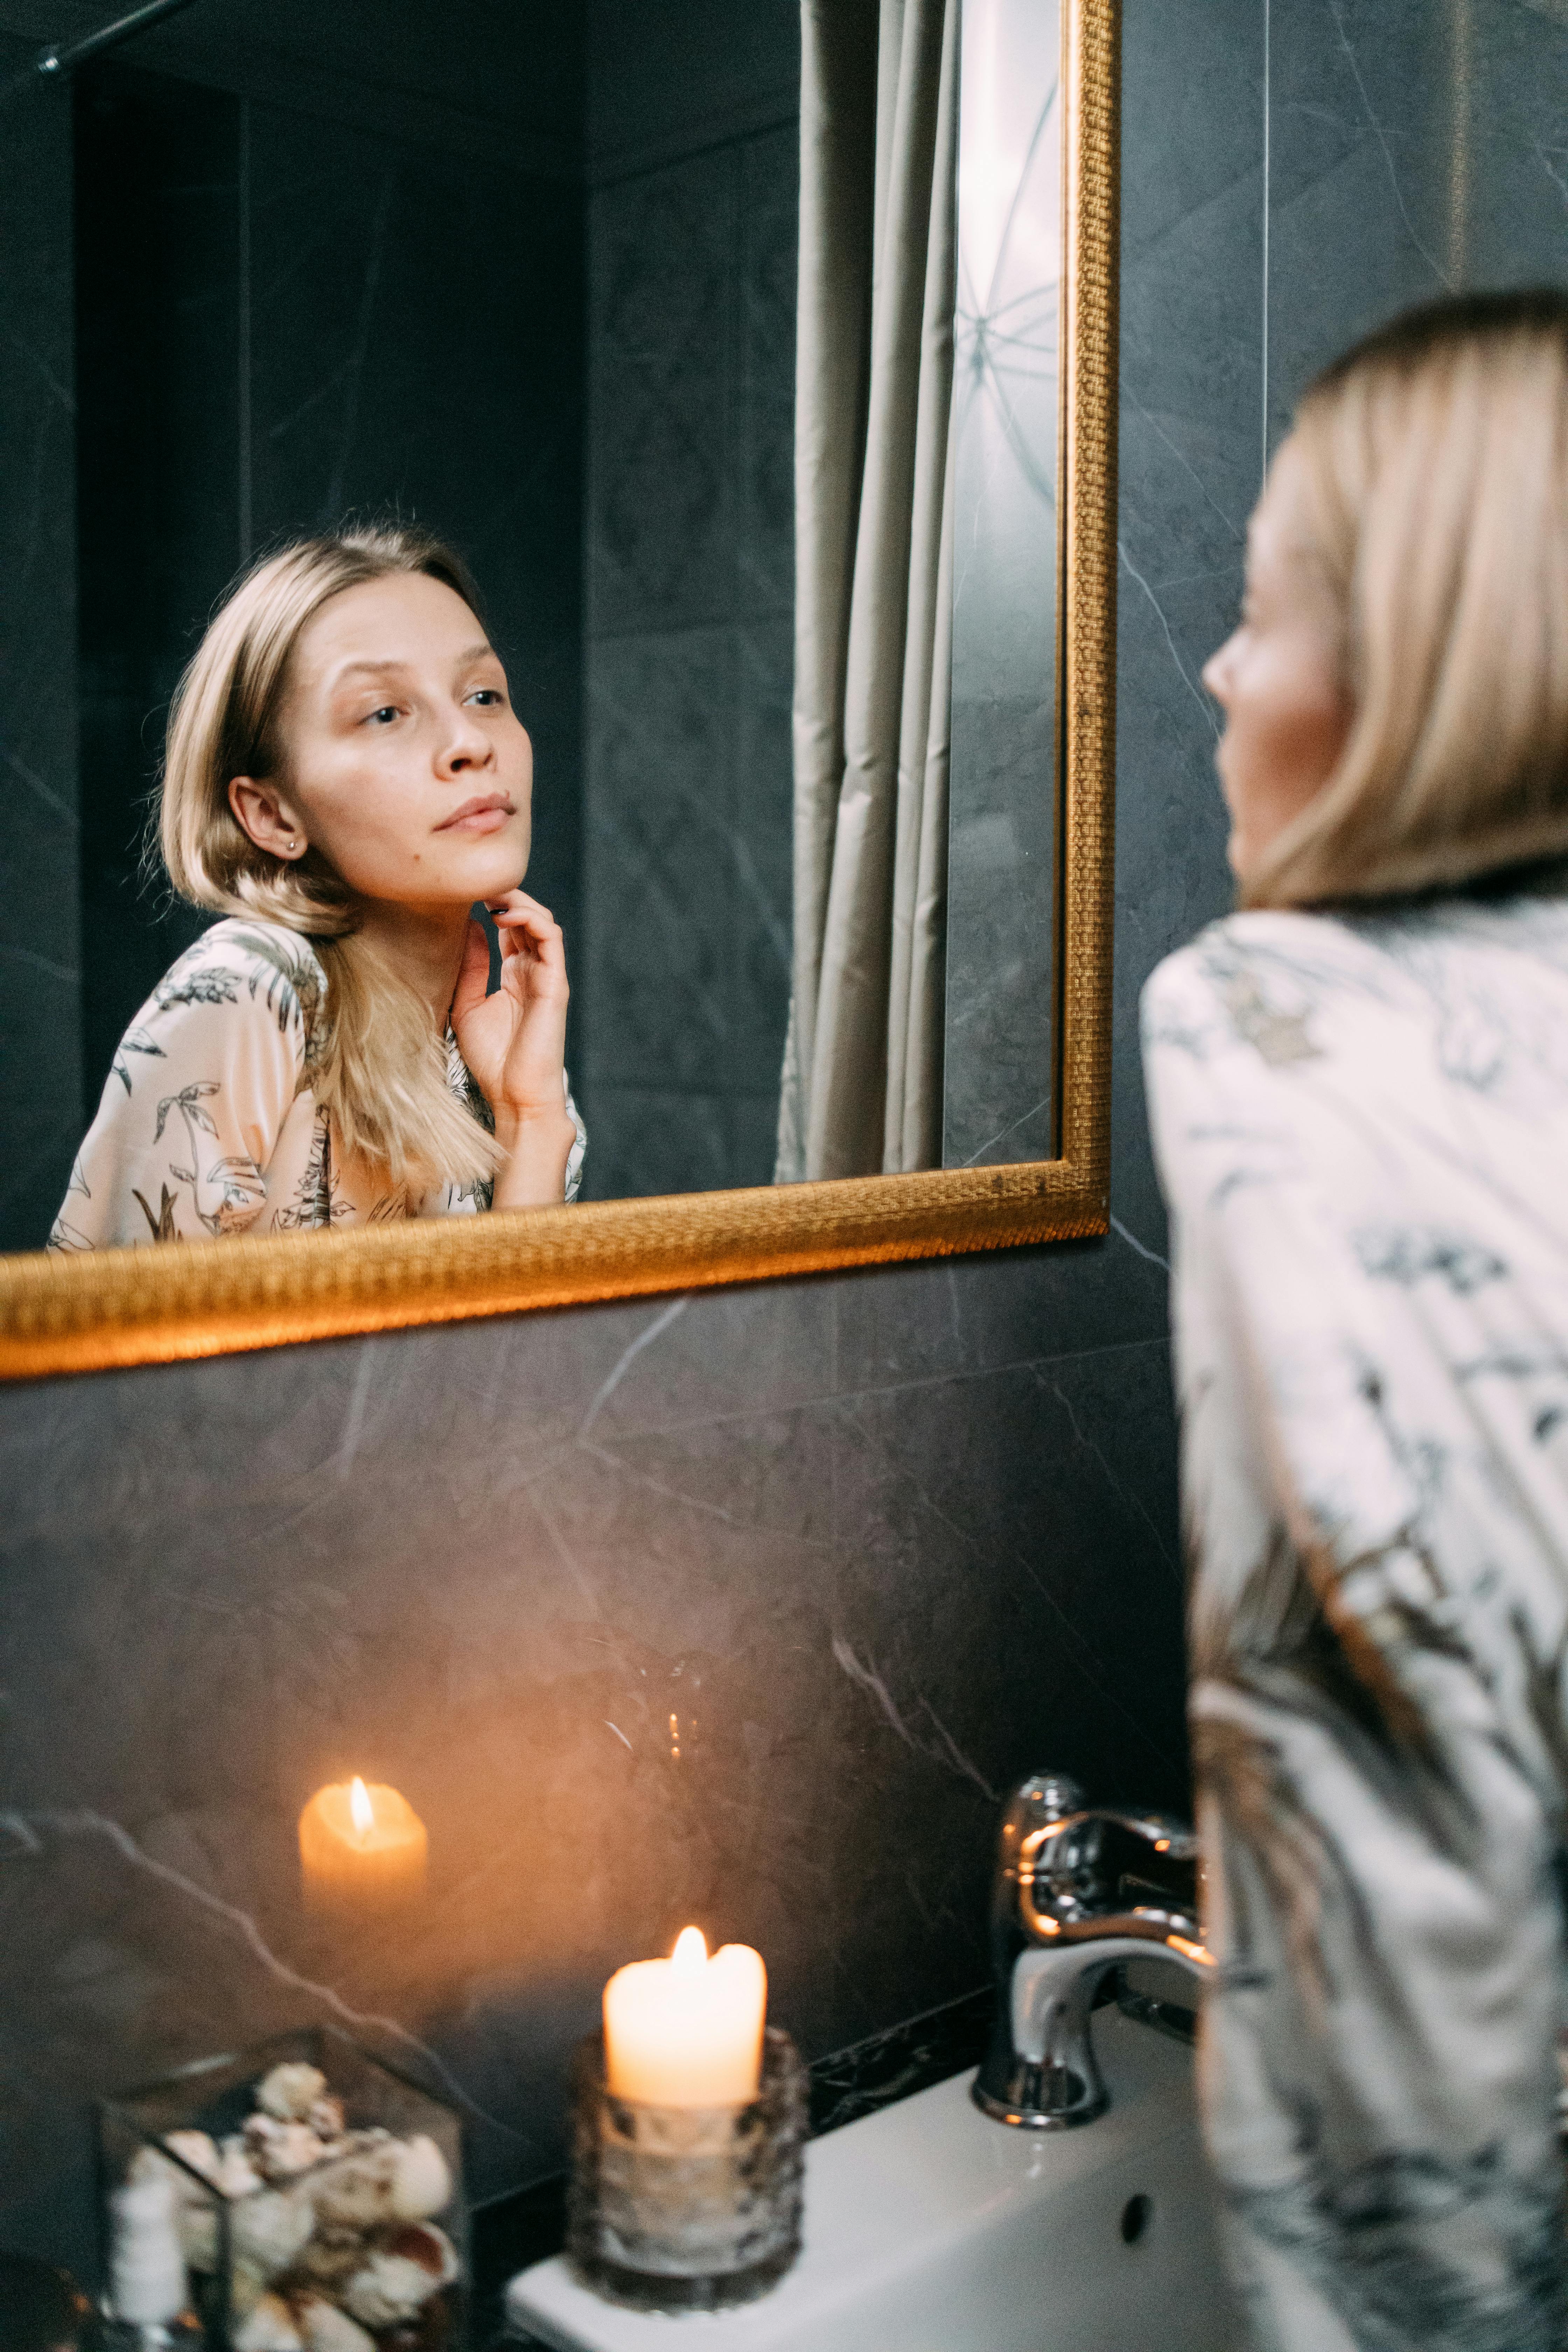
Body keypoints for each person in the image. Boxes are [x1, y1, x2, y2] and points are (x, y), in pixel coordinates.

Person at [1143, 290, 1568, 2349]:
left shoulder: (1273, 1020)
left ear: (1431, 662)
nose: (1211, 674)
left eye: (1259, 607)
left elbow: (1401, 1834)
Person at [51, 527, 583, 1248]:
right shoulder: (250, 990)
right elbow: (129, 1352)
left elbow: (516, 1355)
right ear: (272, 814)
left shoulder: (499, 1037)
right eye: (385, 712)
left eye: (484, 694)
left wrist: (529, 1118)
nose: (471, 742)